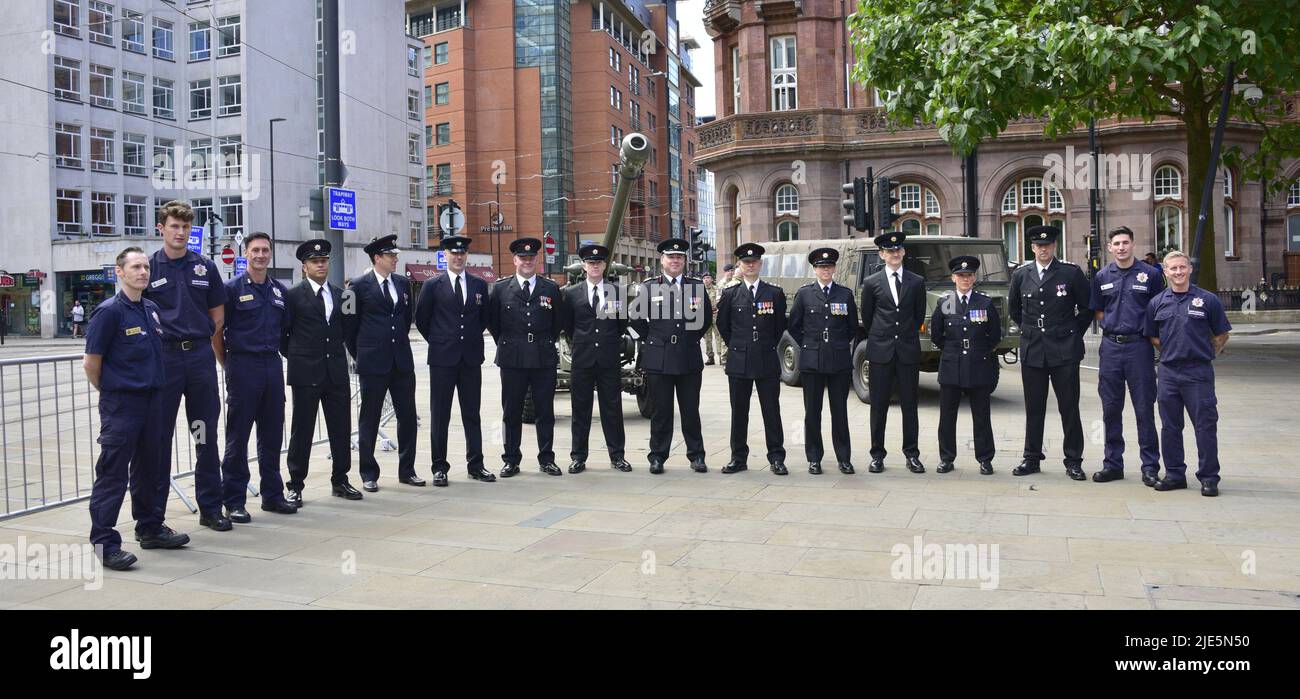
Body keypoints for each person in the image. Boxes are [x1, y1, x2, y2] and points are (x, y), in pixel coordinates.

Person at [83, 247, 190, 571]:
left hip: (153, 401)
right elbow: (92, 363)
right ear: (119, 272)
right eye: (135, 267)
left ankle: (151, 527)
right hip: (123, 404)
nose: (143, 272)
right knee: (113, 475)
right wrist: (113, 391)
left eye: (145, 267)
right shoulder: (109, 312)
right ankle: (105, 544)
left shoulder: (151, 309)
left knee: (151, 469)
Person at [143, 200, 229, 531]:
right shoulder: (149, 268)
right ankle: (154, 519)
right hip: (164, 361)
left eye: (185, 227)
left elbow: (217, 316)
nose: (180, 232)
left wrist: (199, 342)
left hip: (198, 360)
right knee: (158, 439)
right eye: (174, 226)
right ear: (161, 228)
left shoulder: (205, 267)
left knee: (204, 434)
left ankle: (211, 508)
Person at [212, 232, 296, 521]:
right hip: (243, 366)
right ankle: (233, 499)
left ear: (271, 254)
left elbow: (285, 330)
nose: (260, 255)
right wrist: (229, 364)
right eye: (255, 250)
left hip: (271, 366)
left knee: (272, 434)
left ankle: (272, 495)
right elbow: (216, 332)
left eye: (265, 250)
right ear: (245, 253)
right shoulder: (231, 289)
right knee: (238, 436)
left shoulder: (279, 291)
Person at [1008, 225, 1092, 480]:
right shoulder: (1022, 274)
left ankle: (1073, 460)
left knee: (1069, 406)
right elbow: (1015, 310)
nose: (1043, 249)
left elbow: (1087, 307)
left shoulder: (1070, 273)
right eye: (1038, 245)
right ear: (1032, 247)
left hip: (1064, 347)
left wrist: (1071, 332)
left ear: (1054, 246)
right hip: (1034, 348)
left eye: (1047, 245)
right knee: (1034, 407)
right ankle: (1032, 457)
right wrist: (1031, 330)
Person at [281, 239, 362, 504]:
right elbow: (284, 335)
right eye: (315, 261)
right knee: (302, 430)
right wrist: (299, 357)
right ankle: (295, 484)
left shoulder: (341, 294)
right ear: (304, 267)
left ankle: (340, 480)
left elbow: (348, 330)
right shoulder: (292, 295)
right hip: (306, 373)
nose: (320, 265)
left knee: (341, 428)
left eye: (324, 261)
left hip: (336, 372)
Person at [1144, 251, 1231, 497]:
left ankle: (1209, 477)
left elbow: (1222, 333)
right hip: (1169, 372)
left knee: (1205, 426)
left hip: (1198, 372)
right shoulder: (1157, 302)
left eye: (1183, 267)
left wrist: (1204, 353)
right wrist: (1172, 352)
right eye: (1173, 269)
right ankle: (1174, 474)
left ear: (1190, 270)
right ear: (1165, 271)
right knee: (1170, 427)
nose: (1179, 272)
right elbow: (1153, 335)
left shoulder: (1208, 300)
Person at [414, 235, 495, 486]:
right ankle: (439, 467)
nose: (458, 257)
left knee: (472, 413)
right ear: (445, 256)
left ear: (466, 256)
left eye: (462, 254)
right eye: (453, 254)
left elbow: (484, 319)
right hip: (442, 358)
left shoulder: (479, 285)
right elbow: (422, 320)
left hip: (470, 358)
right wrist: (440, 340)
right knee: (440, 415)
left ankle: (476, 464)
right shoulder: (432, 285)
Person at [1090, 226, 1165, 485]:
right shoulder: (1101, 276)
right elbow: (1099, 312)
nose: (1121, 247)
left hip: (1139, 348)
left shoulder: (1151, 274)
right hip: (1111, 348)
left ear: (1133, 244)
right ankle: (1113, 464)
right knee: (1111, 409)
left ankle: (1150, 466)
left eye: (1125, 242)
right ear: (1110, 247)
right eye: (1116, 243)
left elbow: (1159, 309)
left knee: (1144, 408)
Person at [346, 234, 420, 491]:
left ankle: (407, 470)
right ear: (377, 258)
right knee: (370, 418)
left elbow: (406, 318)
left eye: (395, 255)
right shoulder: (356, 286)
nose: (395, 259)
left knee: (408, 417)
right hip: (372, 363)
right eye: (390, 255)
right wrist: (361, 355)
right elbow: (348, 327)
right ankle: (368, 472)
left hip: (401, 362)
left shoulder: (402, 283)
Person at [631, 237, 711, 474]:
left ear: (685, 261)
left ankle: (696, 456)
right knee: (661, 412)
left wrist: (690, 339)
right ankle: (657, 456)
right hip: (659, 359)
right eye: (670, 257)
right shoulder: (648, 287)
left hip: (688, 356)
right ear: (662, 260)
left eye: (679, 257)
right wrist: (653, 342)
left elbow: (705, 319)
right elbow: (636, 320)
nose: (675, 261)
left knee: (690, 411)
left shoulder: (695, 286)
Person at [487, 237, 564, 477]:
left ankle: (546, 459)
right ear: (515, 260)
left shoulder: (550, 288)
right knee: (511, 412)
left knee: (545, 411)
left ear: (537, 260)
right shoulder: (500, 289)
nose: (527, 261)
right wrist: (512, 342)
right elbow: (493, 323)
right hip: (512, 358)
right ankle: (511, 459)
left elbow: (557, 322)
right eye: (523, 258)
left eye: (531, 258)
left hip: (543, 357)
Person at [559, 243, 632, 473]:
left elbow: (621, 324)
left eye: (599, 263)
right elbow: (568, 326)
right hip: (583, 359)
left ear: (604, 265)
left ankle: (617, 455)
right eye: (591, 263)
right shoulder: (571, 294)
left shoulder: (616, 292)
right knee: (580, 409)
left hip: (608, 359)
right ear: (584, 266)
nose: (595, 266)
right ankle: (578, 456)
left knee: (612, 408)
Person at [860, 231, 927, 474]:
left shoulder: (917, 281)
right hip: (881, 352)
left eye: (898, 250)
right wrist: (882, 337)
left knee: (910, 405)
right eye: (889, 251)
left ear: (904, 252)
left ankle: (912, 454)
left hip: (907, 351)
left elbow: (918, 316)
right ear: (882, 254)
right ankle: (877, 454)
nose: (894, 254)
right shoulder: (871, 282)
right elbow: (867, 318)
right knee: (879, 406)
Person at [717, 243, 787, 475]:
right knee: (739, 411)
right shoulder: (730, 294)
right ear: (740, 265)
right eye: (746, 262)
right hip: (739, 360)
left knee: (771, 411)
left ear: (760, 264)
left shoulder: (774, 293)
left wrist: (763, 346)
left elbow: (779, 328)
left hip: (766, 359)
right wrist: (738, 346)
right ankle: (738, 458)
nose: (750, 265)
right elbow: (723, 326)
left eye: (754, 261)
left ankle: (776, 457)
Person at [787, 248, 858, 475]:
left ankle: (844, 458)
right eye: (821, 267)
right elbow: (795, 326)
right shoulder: (805, 294)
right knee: (812, 411)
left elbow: (852, 327)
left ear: (834, 269)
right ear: (815, 269)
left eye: (828, 267)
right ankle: (814, 458)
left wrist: (835, 344)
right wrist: (810, 344)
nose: (825, 270)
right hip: (812, 360)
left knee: (839, 412)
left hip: (838, 360)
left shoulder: (844, 294)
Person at [930, 256, 1001, 475]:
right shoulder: (945, 302)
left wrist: (978, 350)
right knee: (947, 416)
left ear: (974, 278)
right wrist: (953, 350)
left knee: (981, 415)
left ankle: (985, 458)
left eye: (969, 275)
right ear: (953, 278)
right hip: (952, 365)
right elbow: (936, 335)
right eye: (961, 275)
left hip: (978, 364)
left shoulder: (985, 302)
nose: (965, 279)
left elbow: (995, 335)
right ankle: (946, 458)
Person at [702, 274, 720, 365]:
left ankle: (721, 356)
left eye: (708, 278)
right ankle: (710, 357)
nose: (706, 280)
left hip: (715, 315)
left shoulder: (717, 289)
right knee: (707, 338)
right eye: (704, 278)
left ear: (712, 279)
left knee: (718, 336)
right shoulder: (700, 291)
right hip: (705, 316)